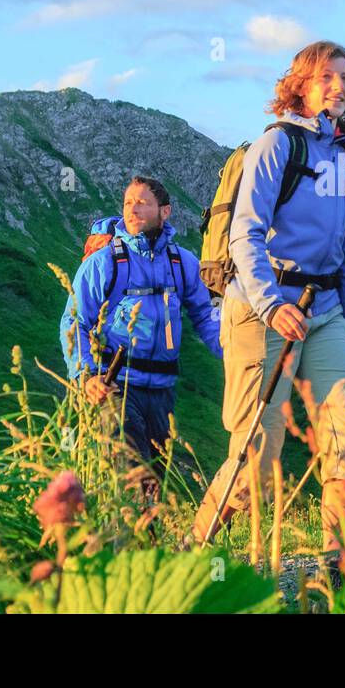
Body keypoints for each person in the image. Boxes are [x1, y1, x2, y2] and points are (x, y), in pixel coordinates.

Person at [191, 41, 345, 566]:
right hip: (263, 311)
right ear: (301, 83)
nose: (340, 87)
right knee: (258, 453)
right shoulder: (278, 145)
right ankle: (194, 551)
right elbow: (244, 235)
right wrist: (269, 304)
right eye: (328, 76)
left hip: (324, 312)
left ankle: (336, 564)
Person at [60, 175, 222, 480]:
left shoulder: (183, 262)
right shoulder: (104, 262)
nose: (132, 209)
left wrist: (238, 356)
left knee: (155, 480)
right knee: (136, 477)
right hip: (115, 385)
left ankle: (134, 528)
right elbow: (74, 322)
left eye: (143, 203)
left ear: (165, 211)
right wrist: (87, 375)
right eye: (128, 203)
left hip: (163, 391)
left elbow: (205, 315)